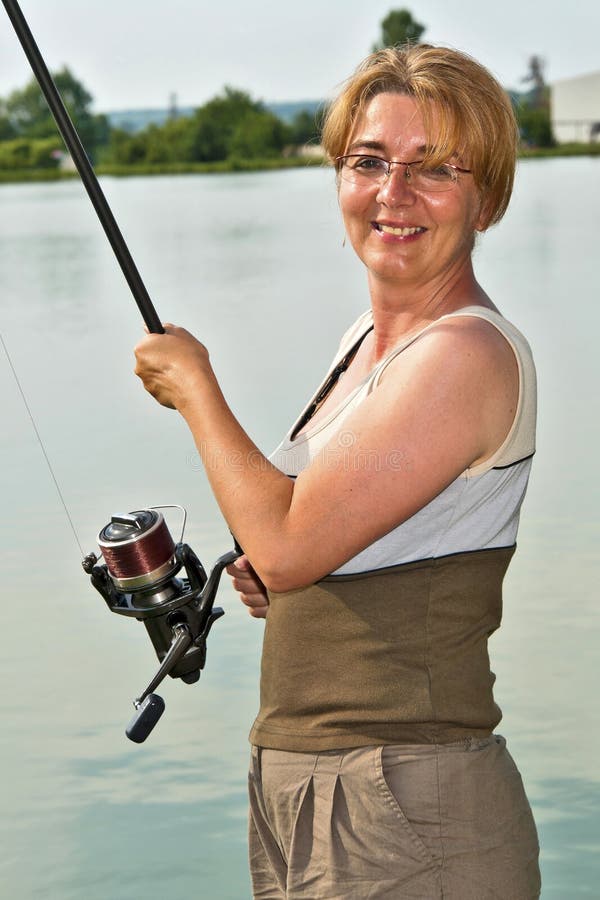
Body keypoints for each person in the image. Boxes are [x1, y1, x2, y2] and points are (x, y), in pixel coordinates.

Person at [134, 43, 541, 899]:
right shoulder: (367, 341)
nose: (392, 194)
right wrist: (286, 577)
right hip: (314, 786)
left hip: (404, 801)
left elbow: (285, 543)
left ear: (489, 198)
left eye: (434, 168)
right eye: (368, 162)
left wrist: (196, 387)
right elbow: (303, 538)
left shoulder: (463, 351)